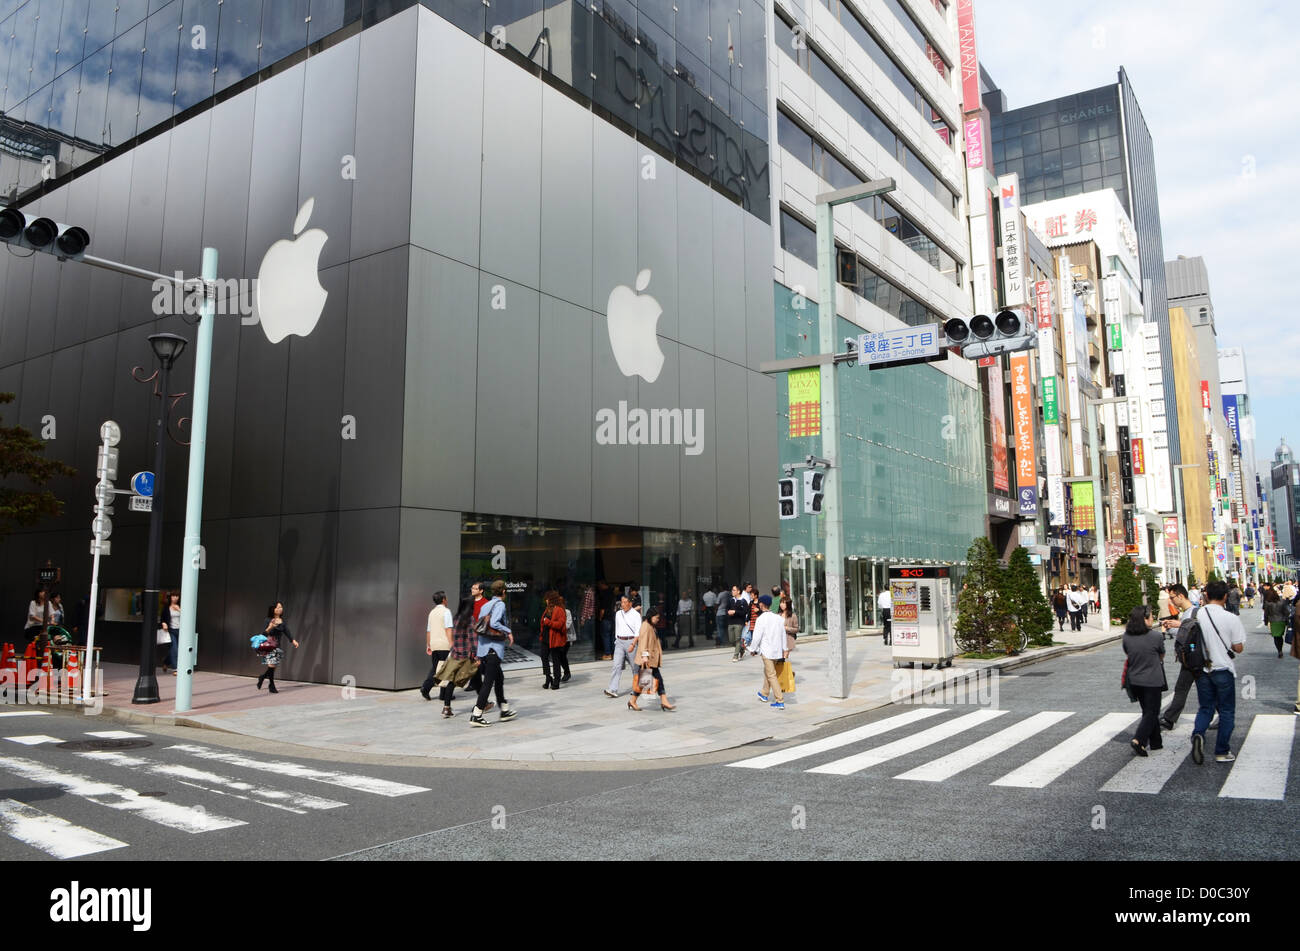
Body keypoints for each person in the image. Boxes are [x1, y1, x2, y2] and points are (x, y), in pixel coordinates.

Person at [1188, 581, 1246, 765]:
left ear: (1206, 595)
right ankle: (1222, 751)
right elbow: (1238, 648)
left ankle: (1198, 734)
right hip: (1223, 669)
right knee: (1227, 710)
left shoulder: (1196, 614)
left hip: (1201, 669)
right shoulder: (1231, 618)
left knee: (1205, 707)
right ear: (1225, 596)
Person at [469, 580, 518, 727]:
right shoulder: (500, 605)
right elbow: (494, 622)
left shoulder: (486, 605)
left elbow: (481, 625)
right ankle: (477, 714)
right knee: (488, 682)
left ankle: (504, 709)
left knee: (499, 678)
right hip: (494, 649)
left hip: (484, 648)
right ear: (503, 591)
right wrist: (508, 632)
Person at [1123, 605, 1166, 756]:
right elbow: (1161, 655)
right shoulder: (1156, 636)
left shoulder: (1127, 636)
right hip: (1152, 680)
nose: (1153, 619)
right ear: (1144, 619)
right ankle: (1139, 740)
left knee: (1147, 710)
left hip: (1135, 680)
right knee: (1152, 711)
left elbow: (1128, 652)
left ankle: (1156, 742)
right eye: (1151, 617)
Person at [1158, 584, 1196, 731]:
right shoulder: (1186, 613)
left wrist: (1179, 625)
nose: (1171, 601)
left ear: (1181, 596)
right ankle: (1169, 718)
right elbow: (1183, 632)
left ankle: (1169, 718)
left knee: (1183, 688)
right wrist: (1171, 627)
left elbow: (1195, 628)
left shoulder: (1194, 612)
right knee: (1183, 688)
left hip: (1194, 657)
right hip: (1188, 657)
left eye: (1172, 597)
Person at [628, 605, 674, 712]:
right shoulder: (645, 626)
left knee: (643, 682)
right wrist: (644, 656)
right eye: (656, 617)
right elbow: (643, 641)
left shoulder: (651, 625)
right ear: (651, 616)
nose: (658, 620)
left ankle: (632, 701)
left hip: (649, 659)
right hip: (646, 660)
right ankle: (664, 701)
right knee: (657, 680)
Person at [750, 596, 788, 710]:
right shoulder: (778, 618)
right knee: (768, 671)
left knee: (771, 675)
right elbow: (783, 635)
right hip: (777, 651)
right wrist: (785, 648)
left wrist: (752, 649)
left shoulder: (761, 619)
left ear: (761, 604)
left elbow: (757, 637)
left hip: (767, 651)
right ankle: (764, 693)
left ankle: (779, 700)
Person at [603, 594, 641, 698]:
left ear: (630, 603)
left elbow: (638, 632)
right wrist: (616, 640)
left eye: (625, 602)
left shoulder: (636, 615)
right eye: (621, 602)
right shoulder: (618, 614)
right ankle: (613, 689)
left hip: (631, 641)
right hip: (619, 641)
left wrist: (633, 644)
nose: (622, 604)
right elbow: (617, 627)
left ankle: (636, 688)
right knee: (616, 666)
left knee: (635, 667)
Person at [420, 591, 454, 706]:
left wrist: (428, 645)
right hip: (444, 644)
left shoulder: (432, 613)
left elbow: (428, 630)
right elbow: (448, 629)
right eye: (446, 598)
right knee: (446, 669)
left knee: (436, 668)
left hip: (434, 644)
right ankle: (440, 693)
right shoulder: (446, 612)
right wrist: (451, 643)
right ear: (444, 599)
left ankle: (429, 688)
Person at [256, 602, 299, 694]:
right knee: (271, 666)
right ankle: (271, 685)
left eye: (281, 607)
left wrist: (293, 640)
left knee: (273, 667)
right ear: (273, 609)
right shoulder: (268, 620)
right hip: (269, 645)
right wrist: (270, 627)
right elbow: (263, 634)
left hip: (277, 646)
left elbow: (287, 631)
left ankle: (262, 677)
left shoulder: (282, 621)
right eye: (278, 607)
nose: (280, 609)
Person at [540, 590, 568, 690]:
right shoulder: (547, 609)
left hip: (554, 639)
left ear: (551, 599)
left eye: (547, 599)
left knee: (556, 660)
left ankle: (556, 680)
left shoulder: (559, 609)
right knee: (544, 657)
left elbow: (560, 625)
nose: (546, 600)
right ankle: (548, 677)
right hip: (545, 638)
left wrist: (548, 622)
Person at [1264, 586, 1288, 658]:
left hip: (1273, 621)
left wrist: (1266, 621)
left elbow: (1266, 614)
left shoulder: (1268, 603)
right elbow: (1286, 612)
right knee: (1280, 636)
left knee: (1276, 637)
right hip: (1281, 621)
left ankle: (1279, 650)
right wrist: (1287, 620)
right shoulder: (1282, 602)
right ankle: (1280, 649)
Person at [724, 585, 746, 659]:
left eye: (734, 590)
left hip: (739, 623)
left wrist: (735, 612)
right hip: (730, 622)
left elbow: (744, 612)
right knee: (731, 640)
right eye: (732, 590)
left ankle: (735, 656)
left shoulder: (743, 601)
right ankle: (741, 649)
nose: (732, 591)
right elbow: (726, 609)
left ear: (738, 591)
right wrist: (728, 612)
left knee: (737, 639)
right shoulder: (730, 600)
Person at [595, 580, 615, 661]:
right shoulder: (612, 593)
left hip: (606, 617)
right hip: (612, 617)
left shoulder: (604, 594)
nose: (599, 587)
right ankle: (613, 653)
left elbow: (602, 609)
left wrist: (600, 617)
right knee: (611, 636)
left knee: (605, 635)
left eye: (599, 584)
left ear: (603, 584)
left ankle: (607, 654)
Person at [579, 583, 596, 657]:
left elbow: (586, 607)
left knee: (588, 635)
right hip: (592, 616)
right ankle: (591, 651)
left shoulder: (588, 593)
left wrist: (582, 618)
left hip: (588, 617)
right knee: (591, 635)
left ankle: (589, 652)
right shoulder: (593, 592)